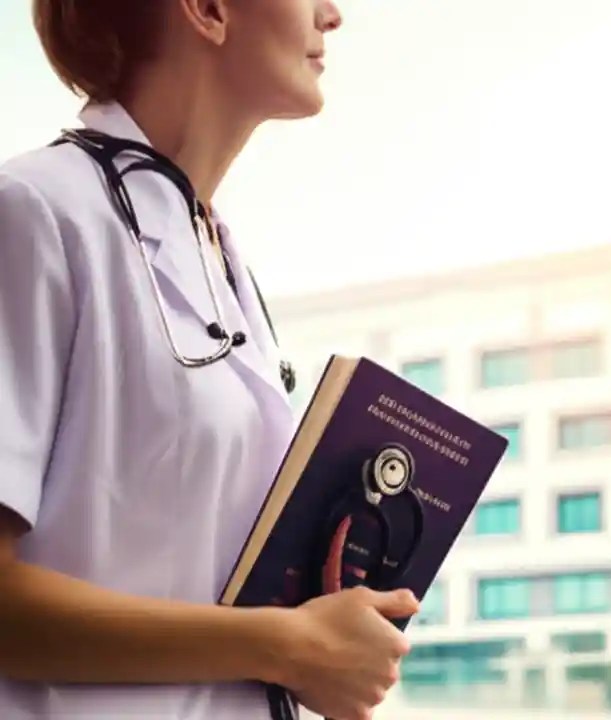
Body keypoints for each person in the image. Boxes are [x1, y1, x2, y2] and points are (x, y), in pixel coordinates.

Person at [0, 2, 420, 719]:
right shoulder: (36, 213)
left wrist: (324, 634)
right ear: (208, 9)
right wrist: (281, 644)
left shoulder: (220, 260)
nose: (332, 14)